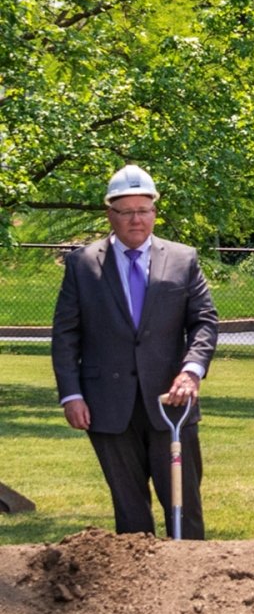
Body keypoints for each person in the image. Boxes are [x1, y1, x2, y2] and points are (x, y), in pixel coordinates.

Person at [51, 165, 217, 537]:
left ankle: (190, 585)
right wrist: (71, 394)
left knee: (183, 505)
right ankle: (137, 591)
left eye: (144, 210)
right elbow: (65, 335)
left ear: (155, 212)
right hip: (107, 406)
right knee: (130, 514)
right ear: (110, 214)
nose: (136, 219)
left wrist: (191, 371)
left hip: (171, 401)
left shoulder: (183, 258)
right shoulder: (82, 265)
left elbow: (205, 321)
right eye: (126, 211)